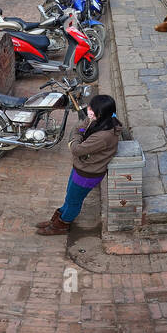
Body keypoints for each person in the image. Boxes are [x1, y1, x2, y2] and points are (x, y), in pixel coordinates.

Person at [37, 96, 123, 235]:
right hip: (81, 168)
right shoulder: (100, 120)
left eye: (91, 109)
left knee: (74, 201)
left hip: (87, 173)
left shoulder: (103, 136)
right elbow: (80, 127)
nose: (88, 111)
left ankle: (61, 225)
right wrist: (79, 135)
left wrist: (76, 138)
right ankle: (57, 218)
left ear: (100, 113)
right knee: (70, 196)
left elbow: (76, 149)